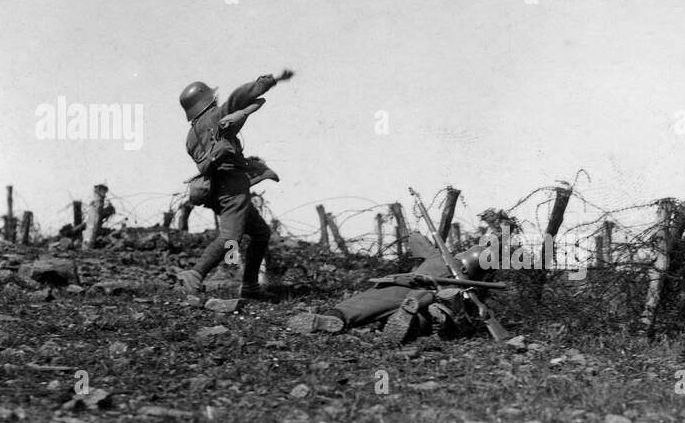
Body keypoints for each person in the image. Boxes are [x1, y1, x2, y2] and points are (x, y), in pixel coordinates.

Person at [176, 70, 292, 301]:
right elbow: (240, 97)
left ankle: (250, 287)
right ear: (207, 100)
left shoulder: (191, 136)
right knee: (231, 236)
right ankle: (195, 275)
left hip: (217, 190)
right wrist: (267, 82)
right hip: (232, 186)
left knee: (260, 233)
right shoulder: (216, 116)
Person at [313, 242, 495, 344]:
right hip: (428, 300)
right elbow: (467, 322)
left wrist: (430, 243)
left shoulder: (437, 256)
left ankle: (334, 317)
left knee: (363, 303)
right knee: (424, 319)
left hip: (401, 284)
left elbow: (414, 239)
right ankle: (409, 318)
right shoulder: (468, 288)